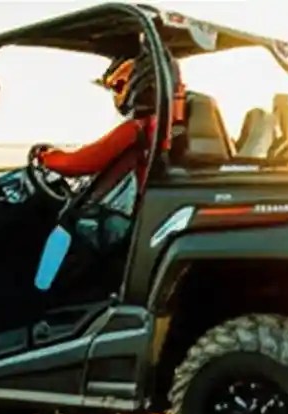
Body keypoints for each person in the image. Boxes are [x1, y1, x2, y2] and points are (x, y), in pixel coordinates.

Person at [32, 53, 184, 292]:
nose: (116, 96)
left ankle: (40, 297)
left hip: (118, 221)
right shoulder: (170, 128)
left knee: (58, 229)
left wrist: (46, 156)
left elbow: (80, 163)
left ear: (138, 85)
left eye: (118, 87)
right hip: (142, 217)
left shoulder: (137, 128)